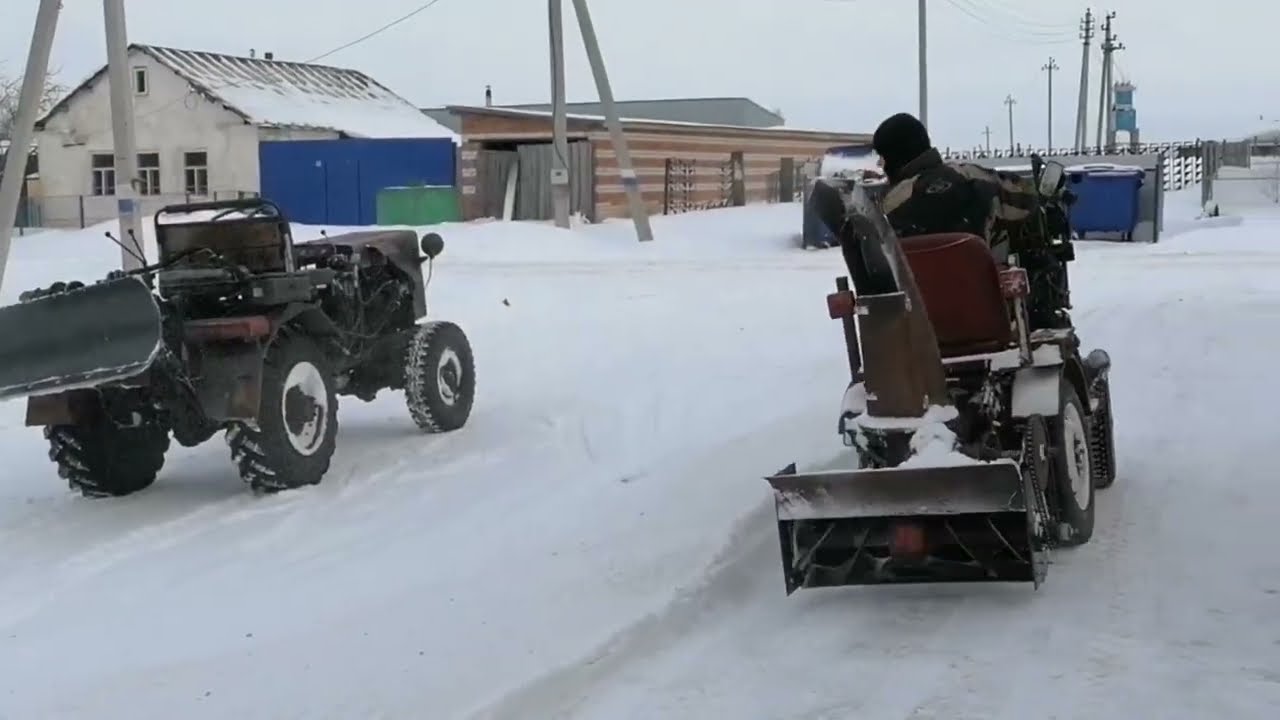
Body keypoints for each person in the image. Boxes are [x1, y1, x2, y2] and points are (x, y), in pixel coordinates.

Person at [870, 111, 1044, 263]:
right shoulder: (971, 175)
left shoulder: (890, 203)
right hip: (983, 292)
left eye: (882, 157)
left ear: (896, 157)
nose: (880, 164)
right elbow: (1027, 199)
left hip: (920, 297)